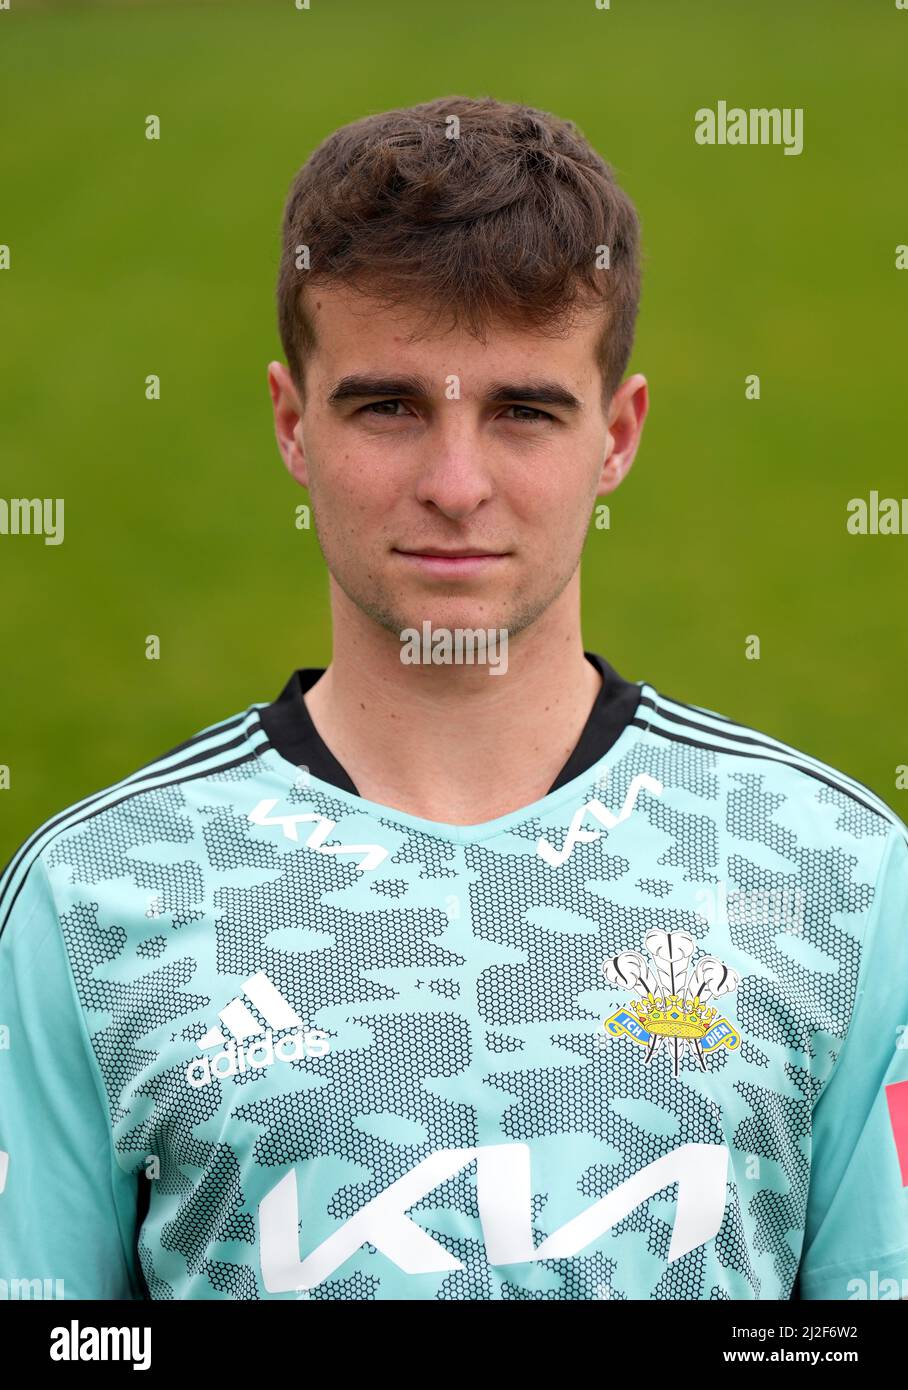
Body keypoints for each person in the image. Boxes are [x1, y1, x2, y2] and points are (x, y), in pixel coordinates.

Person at [1, 96, 906, 1302]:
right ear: (290, 422)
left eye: (522, 411)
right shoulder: (93, 901)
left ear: (617, 437)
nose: (455, 484)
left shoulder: (838, 880)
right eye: (389, 407)